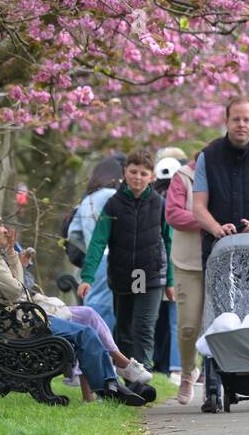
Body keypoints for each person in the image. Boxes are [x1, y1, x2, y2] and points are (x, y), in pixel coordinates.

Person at [0, 207, 148, 405]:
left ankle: (110, 386)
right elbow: (17, 290)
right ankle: (109, 387)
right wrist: (13, 263)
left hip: (13, 321)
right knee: (85, 333)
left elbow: (16, 285)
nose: (5, 230)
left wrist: (10, 253)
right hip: (18, 323)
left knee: (86, 328)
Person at [191, 95, 249, 412]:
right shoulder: (208, 157)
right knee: (221, 317)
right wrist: (216, 227)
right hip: (220, 252)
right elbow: (199, 206)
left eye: (247, 119)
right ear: (226, 121)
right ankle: (215, 385)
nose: (241, 124)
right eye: (236, 119)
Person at [77, 149, 174, 367]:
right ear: (125, 172)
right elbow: (98, 241)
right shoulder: (113, 204)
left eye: (143, 173)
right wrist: (87, 276)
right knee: (124, 330)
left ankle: (142, 377)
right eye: (133, 172)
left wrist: (170, 281)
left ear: (152, 177)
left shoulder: (159, 204)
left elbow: (168, 242)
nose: (137, 177)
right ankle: (128, 377)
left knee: (144, 327)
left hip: (151, 275)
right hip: (123, 275)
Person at [164, 147, 205, 404]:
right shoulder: (182, 177)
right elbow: (174, 214)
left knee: (217, 327)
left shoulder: (226, 175)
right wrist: (208, 221)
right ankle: (188, 372)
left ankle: (217, 380)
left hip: (221, 259)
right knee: (188, 326)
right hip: (187, 261)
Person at [65, 154, 124, 330]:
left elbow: (73, 234)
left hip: (93, 260)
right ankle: (104, 351)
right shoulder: (113, 196)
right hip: (110, 258)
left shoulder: (87, 199)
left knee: (91, 306)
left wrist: (90, 248)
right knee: (105, 311)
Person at [151, 148, 187, 377]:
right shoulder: (180, 200)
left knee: (153, 321)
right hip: (177, 264)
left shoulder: (152, 200)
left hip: (154, 267)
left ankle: (158, 363)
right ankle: (175, 367)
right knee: (176, 320)